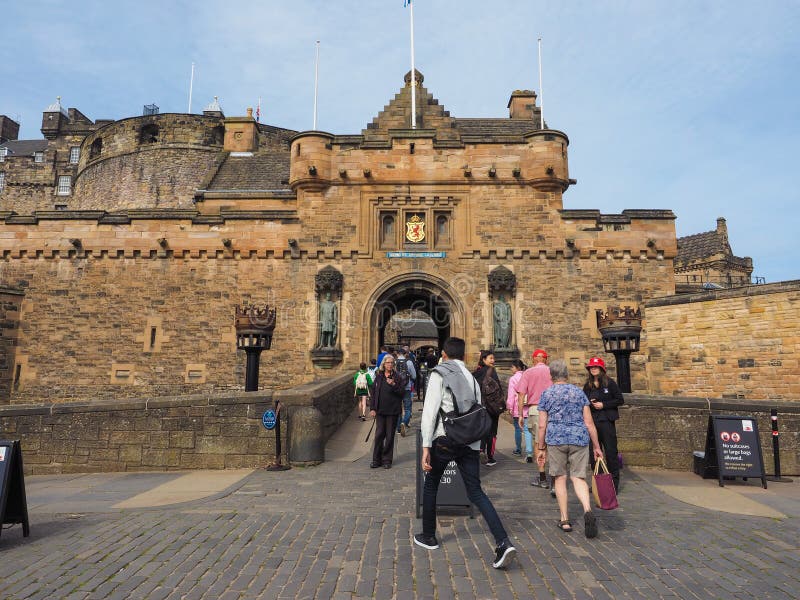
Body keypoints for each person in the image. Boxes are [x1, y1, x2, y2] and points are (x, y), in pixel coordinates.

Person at [414, 336, 517, 569]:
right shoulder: (471, 377)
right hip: (469, 441)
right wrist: (475, 444)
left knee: (431, 485)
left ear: (444, 354)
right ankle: (503, 541)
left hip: (445, 439)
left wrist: (426, 447)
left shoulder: (439, 374)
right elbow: (477, 410)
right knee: (476, 492)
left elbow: (430, 413)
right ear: (463, 355)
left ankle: (429, 536)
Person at [535, 359, 603, 538]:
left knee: (559, 478)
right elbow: (589, 423)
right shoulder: (578, 393)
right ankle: (587, 510)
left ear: (552, 376)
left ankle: (564, 520)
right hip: (578, 437)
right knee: (578, 478)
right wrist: (596, 446)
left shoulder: (547, 394)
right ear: (567, 375)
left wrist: (541, 448)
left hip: (556, 439)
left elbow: (542, 425)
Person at [583, 356, 624, 492]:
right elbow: (583, 403)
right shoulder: (587, 386)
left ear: (601, 369)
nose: (593, 369)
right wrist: (590, 404)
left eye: (596, 367)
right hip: (592, 423)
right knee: (594, 455)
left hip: (606, 422)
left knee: (611, 453)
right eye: (591, 367)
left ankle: (613, 485)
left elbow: (620, 399)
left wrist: (604, 404)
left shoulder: (610, 383)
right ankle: (598, 483)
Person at [517, 349, 552, 487]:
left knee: (538, 443)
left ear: (533, 360)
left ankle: (542, 477)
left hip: (535, 409)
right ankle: (555, 478)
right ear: (545, 359)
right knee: (553, 444)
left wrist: (520, 414)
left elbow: (521, 395)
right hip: (552, 410)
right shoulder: (552, 371)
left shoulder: (528, 372)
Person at [369, 355, 406, 469]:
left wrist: (393, 385)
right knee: (379, 434)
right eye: (388, 363)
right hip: (380, 410)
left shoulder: (398, 377)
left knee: (390, 436)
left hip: (392, 411)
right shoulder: (379, 377)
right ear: (384, 364)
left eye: (392, 363)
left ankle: (387, 460)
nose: (390, 365)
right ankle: (376, 459)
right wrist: (372, 408)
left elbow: (402, 393)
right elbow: (373, 393)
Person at [473, 350, 502, 467]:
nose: (493, 361)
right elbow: (499, 390)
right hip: (492, 408)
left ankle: (480, 450)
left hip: (480, 407)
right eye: (491, 358)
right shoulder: (492, 371)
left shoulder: (476, 373)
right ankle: (490, 457)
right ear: (484, 359)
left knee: (481, 430)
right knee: (492, 432)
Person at [506, 359, 531, 461]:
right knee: (527, 430)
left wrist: (509, 407)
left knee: (517, 428)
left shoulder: (513, 379)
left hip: (518, 407)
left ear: (517, 368)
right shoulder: (528, 376)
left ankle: (518, 449)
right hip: (527, 406)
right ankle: (529, 452)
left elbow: (511, 395)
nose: (511, 369)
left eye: (512, 367)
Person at [395, 347, 417, 437]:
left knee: (398, 409)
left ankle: (399, 429)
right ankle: (404, 422)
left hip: (396, 388)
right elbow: (414, 376)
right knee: (407, 408)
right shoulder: (409, 362)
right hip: (407, 388)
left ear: (397, 354)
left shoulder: (394, 362)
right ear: (405, 354)